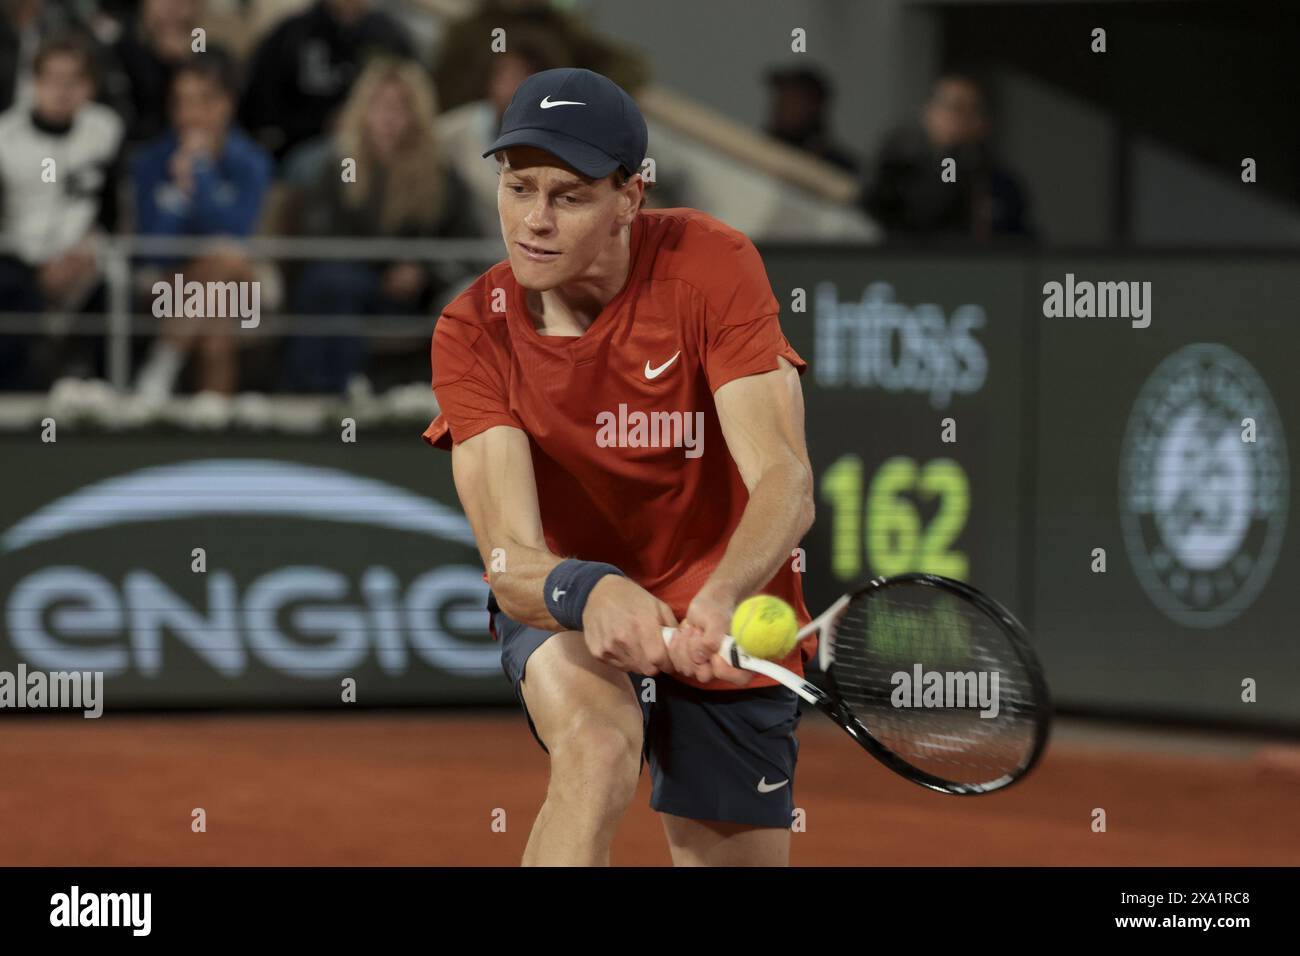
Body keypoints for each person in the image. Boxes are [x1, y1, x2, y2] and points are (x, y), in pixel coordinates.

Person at [422, 68, 816, 866]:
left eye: (568, 196)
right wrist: (591, 589)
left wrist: (719, 596)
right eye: (517, 186)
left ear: (629, 198)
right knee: (598, 748)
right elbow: (509, 561)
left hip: (724, 606)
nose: (533, 220)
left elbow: (786, 481)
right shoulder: (472, 331)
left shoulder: (710, 263)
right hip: (565, 598)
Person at [275, 56, 477, 393]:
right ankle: (329, 389)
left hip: (409, 299)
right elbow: (321, 237)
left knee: (329, 288)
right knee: (329, 284)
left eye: (400, 108)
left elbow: (462, 245)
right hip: (346, 286)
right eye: (380, 106)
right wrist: (382, 269)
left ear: (417, 116)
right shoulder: (340, 166)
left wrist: (422, 272)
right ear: (363, 111)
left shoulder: (440, 177)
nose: (389, 118)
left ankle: (322, 391)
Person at [131, 49, 272, 397]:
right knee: (216, 300)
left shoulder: (251, 162)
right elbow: (156, 252)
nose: (188, 115)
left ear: (226, 104)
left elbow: (236, 233)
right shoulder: (151, 161)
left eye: (202, 102)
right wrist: (180, 196)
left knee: (223, 260)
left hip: (244, 281)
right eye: (180, 103)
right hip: (166, 283)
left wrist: (199, 175)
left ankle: (161, 366)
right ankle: (214, 415)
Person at [0, 32, 124, 389]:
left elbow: (112, 210)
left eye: (74, 81)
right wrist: (39, 269)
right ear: (35, 84)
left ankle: (108, 401)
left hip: (85, 257)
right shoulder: (6, 138)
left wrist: (89, 248)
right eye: (53, 79)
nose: (63, 91)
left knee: (117, 287)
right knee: (14, 291)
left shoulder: (105, 130)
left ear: (89, 87)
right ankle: (18, 401)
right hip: (19, 259)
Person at [860, 71, 1033, 242]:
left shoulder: (1000, 182)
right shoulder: (901, 166)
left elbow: (1022, 242)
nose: (960, 119)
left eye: (971, 111)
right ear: (928, 112)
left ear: (984, 122)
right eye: (953, 108)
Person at [239, 0, 415, 166]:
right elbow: (259, 108)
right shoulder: (293, 34)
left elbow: (416, 102)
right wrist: (321, 123)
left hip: (376, 148)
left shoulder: (391, 40)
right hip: (300, 149)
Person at [764, 64, 858, 174]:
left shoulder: (836, 167)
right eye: (781, 97)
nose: (782, 107)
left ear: (814, 109)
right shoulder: (759, 148)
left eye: (793, 100)